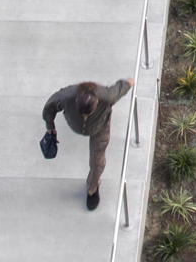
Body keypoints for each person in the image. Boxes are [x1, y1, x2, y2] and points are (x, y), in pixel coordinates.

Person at [41, 77, 133, 209]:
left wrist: (128, 83)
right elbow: (49, 107)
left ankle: (92, 189)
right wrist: (50, 127)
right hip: (76, 125)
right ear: (76, 101)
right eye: (82, 114)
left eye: (88, 114)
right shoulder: (66, 96)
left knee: (97, 162)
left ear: (97, 102)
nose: (85, 117)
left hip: (100, 127)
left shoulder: (107, 96)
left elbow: (120, 88)